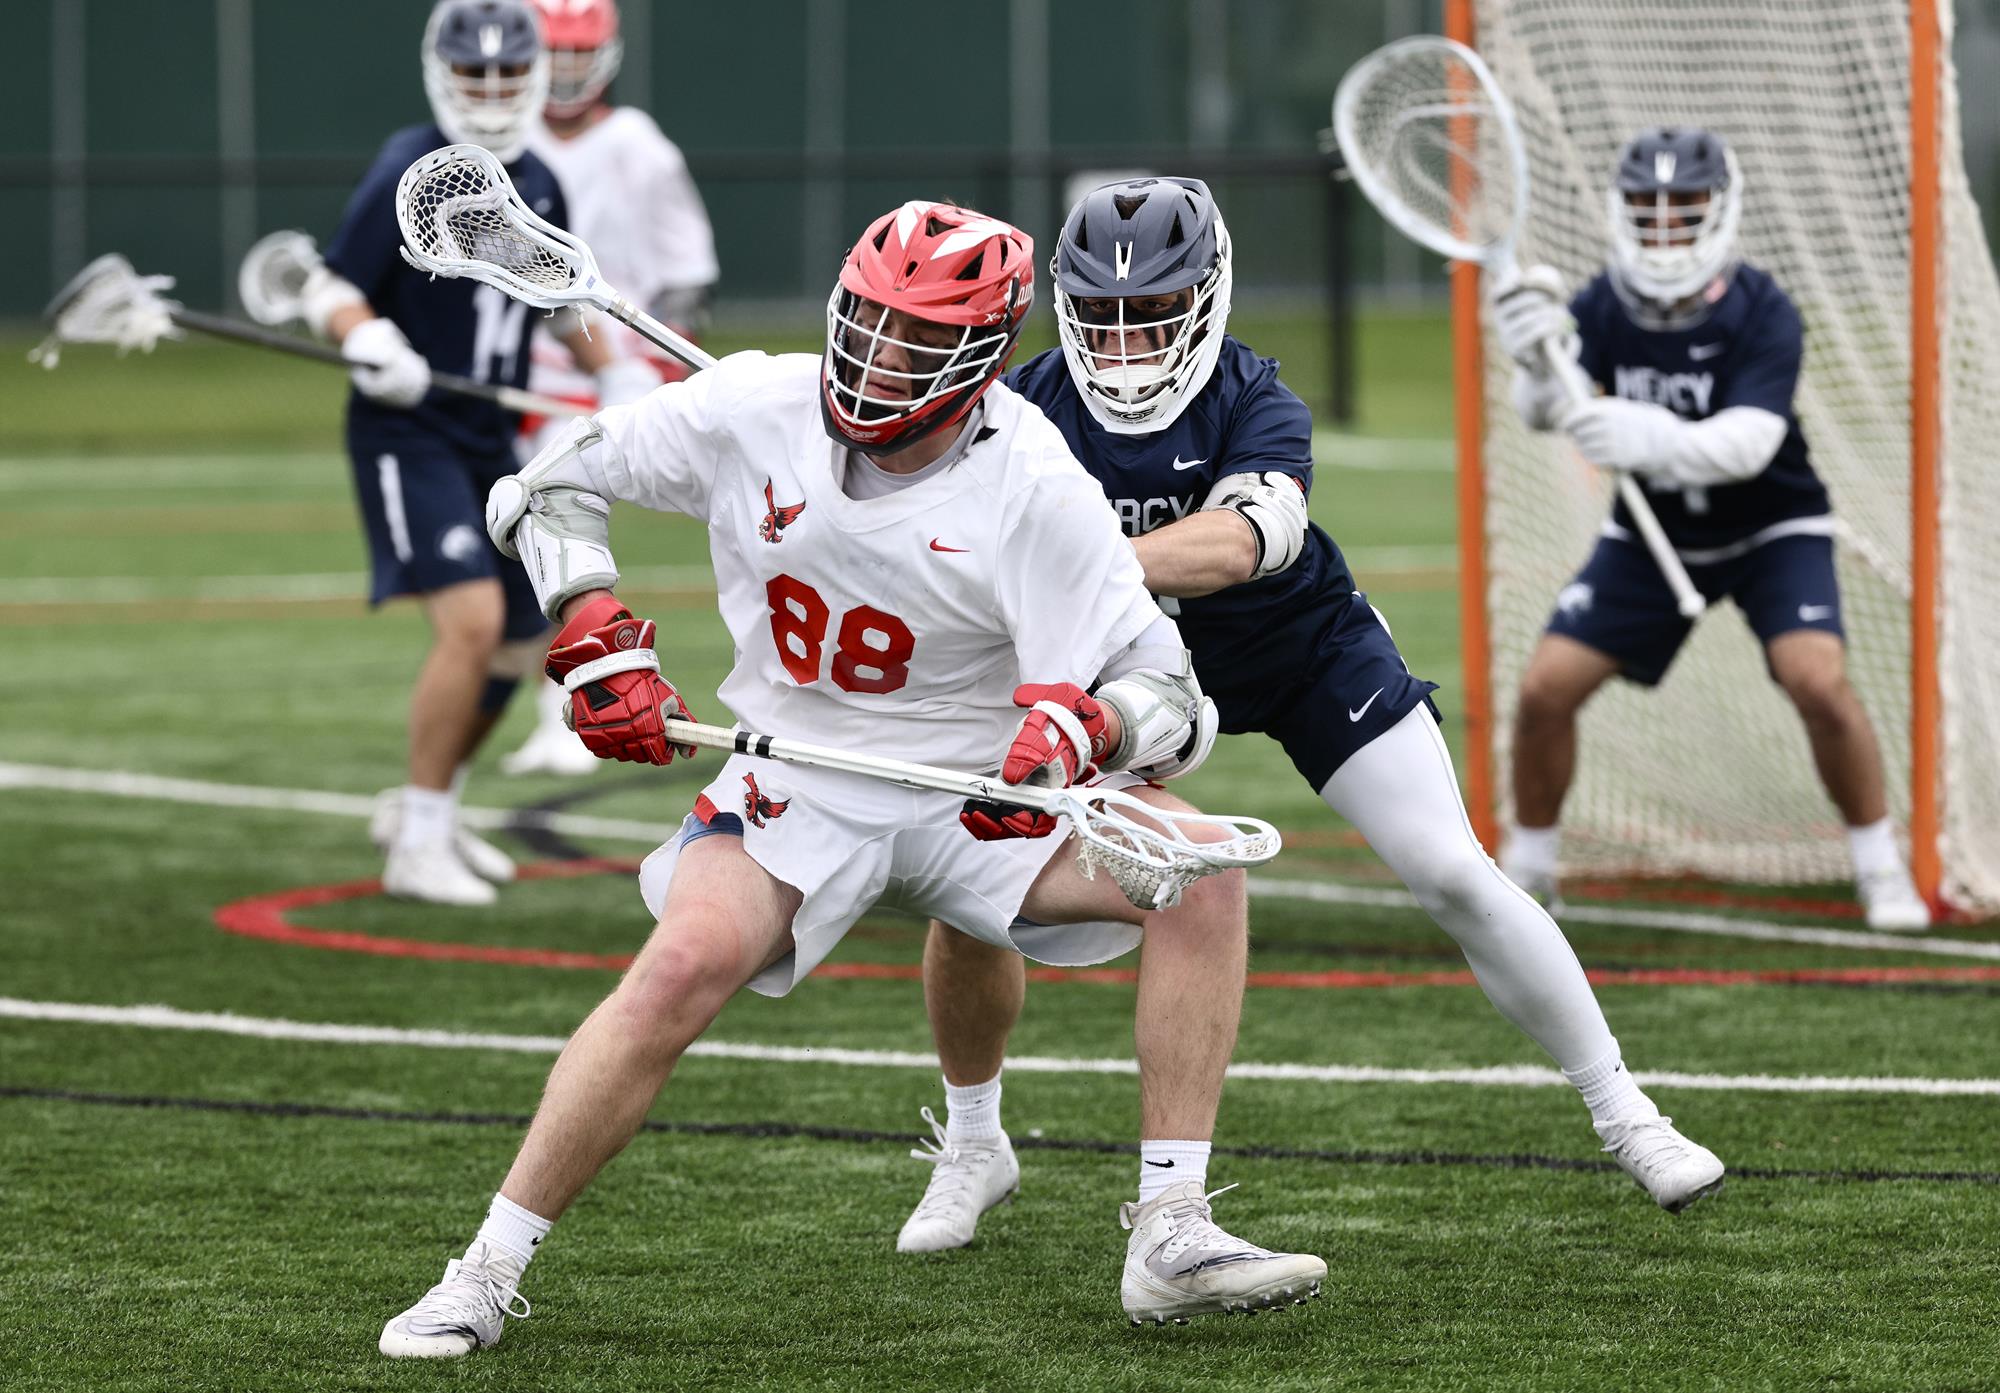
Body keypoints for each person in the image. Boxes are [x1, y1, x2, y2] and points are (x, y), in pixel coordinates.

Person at [377, 200, 1326, 1358]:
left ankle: (1171, 1229)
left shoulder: (1035, 484)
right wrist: (594, 631)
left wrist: (1081, 732)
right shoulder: (753, 404)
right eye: (864, 326)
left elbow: (1171, 699)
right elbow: (545, 485)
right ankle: (484, 1267)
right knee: (680, 964)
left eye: (915, 344)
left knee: (1198, 872)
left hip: (988, 785)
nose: (876, 363)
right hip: (797, 778)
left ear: (980, 360)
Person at [894, 178, 1725, 1267]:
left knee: (1452, 871)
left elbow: (1239, 546)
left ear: (1206, 299)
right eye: (1101, 315)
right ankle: (972, 1144)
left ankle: (1625, 1112)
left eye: (1153, 314)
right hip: (1113, 679)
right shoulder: (1021, 405)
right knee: (976, 879)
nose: (1126, 340)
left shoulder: (1258, 398)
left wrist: (1072, 554)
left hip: (1293, 652)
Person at [1488, 126, 1930, 933]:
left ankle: (1880, 865)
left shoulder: (1763, 309)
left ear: (1719, 211)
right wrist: (1531, 361)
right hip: (1652, 531)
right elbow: (1547, 411)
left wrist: (1643, 432)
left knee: (1817, 682)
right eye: (1646, 211)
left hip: (1773, 527)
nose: (1663, 229)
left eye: (1682, 210)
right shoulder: (1599, 304)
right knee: (1545, 690)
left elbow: (1750, 443)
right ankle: (1529, 872)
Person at [305, 0, 657, 905]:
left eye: (507, 76)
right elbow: (334, 285)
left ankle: (433, 805)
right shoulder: (409, 166)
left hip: (487, 432)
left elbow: (558, 298)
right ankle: (417, 837)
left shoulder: (537, 178)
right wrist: (366, 338)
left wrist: (614, 370)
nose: (493, 93)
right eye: (476, 77)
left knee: (519, 637)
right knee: (467, 624)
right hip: (406, 428)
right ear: (442, 75)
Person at [501, 0, 722, 776]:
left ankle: (582, 702)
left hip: (623, 375)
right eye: (551, 54)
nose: (564, 71)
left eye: (576, 53)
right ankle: (560, 708)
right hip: (536, 378)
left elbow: (685, 275)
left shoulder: (639, 148)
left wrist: (653, 365)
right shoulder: (507, 147)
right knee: (543, 538)